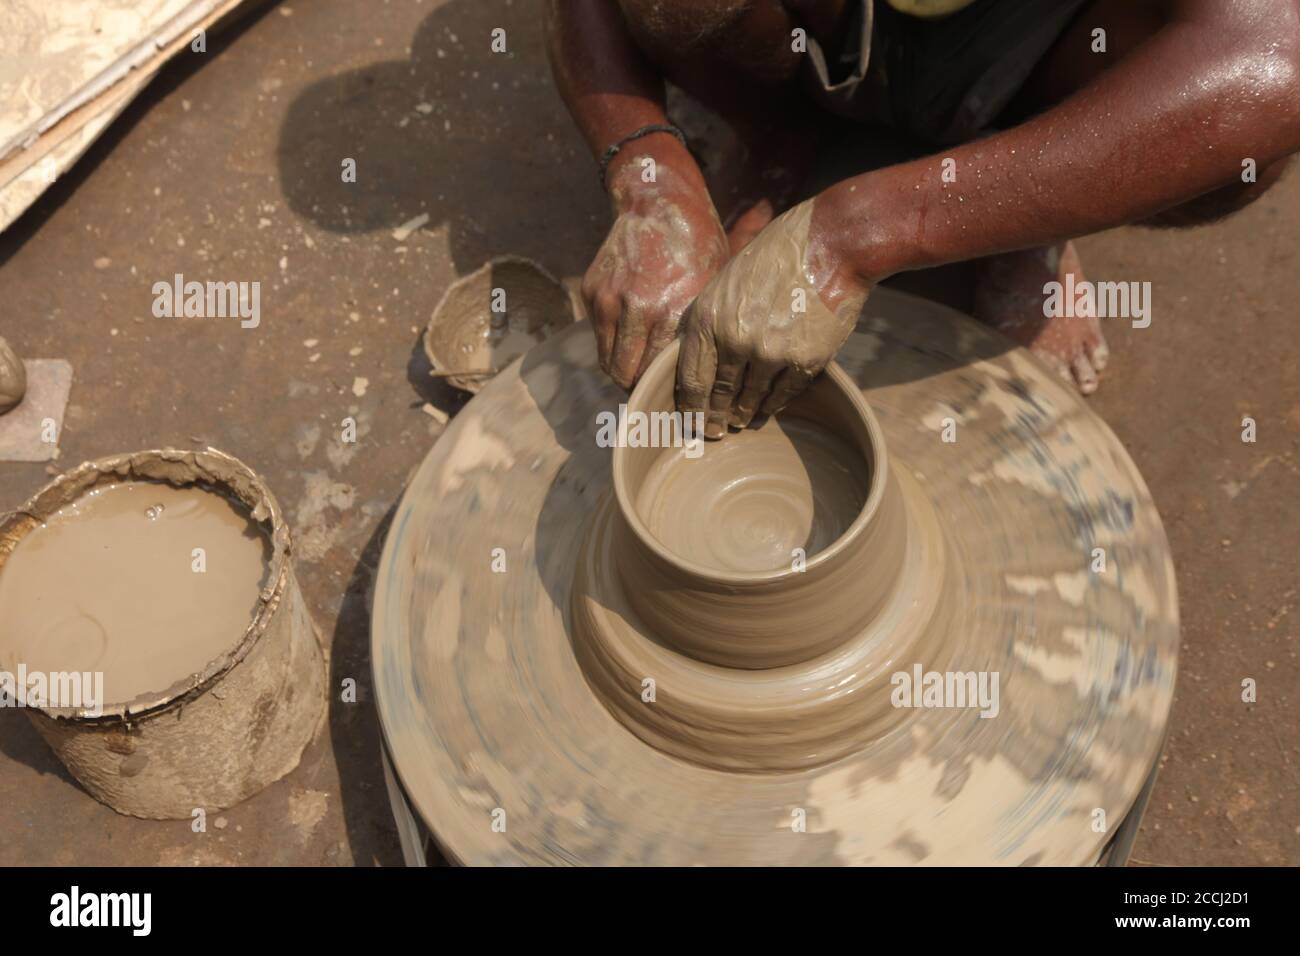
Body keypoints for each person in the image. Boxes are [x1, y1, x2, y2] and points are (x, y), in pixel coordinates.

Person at [544, 0, 1300, 438]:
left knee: (1232, 146)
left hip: (1054, 30)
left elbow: (1276, 47)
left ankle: (1020, 196)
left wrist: (851, 235)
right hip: (819, 22)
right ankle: (779, 139)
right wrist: (649, 176)